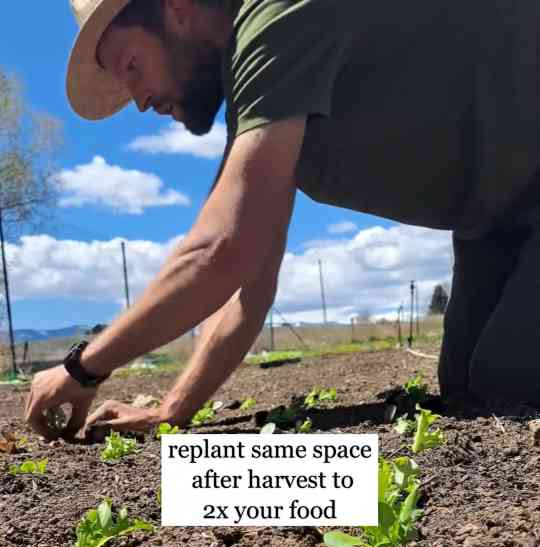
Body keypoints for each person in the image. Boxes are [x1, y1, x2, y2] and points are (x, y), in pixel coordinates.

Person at [25, 0, 540, 439]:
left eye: (132, 66)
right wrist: (171, 410)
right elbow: (250, 287)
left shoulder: (278, 19)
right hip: (495, 225)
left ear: (176, 9)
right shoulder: (263, 101)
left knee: (505, 383)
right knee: (464, 388)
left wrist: (83, 367)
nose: (137, 101)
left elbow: (220, 251)